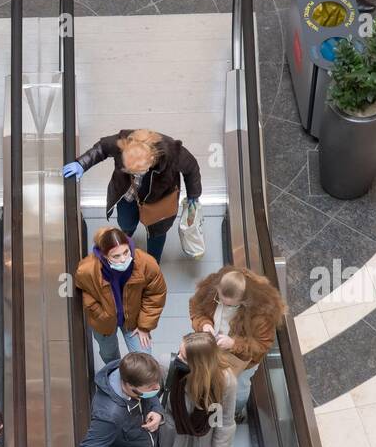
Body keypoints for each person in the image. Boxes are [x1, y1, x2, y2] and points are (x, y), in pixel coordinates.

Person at [61, 128, 202, 262]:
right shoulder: (122, 141)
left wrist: (193, 195)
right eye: (129, 169)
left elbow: (192, 168)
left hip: (159, 197)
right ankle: (126, 240)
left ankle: (153, 262)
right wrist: (81, 163)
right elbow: (102, 148)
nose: (133, 174)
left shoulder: (172, 151)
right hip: (127, 192)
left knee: (157, 232)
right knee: (126, 222)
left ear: (152, 158)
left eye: (138, 171)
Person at [188, 266, 287, 421]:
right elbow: (196, 309)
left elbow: (262, 345)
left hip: (241, 361)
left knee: (238, 387)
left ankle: (235, 412)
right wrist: (204, 324)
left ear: (244, 300)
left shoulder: (262, 312)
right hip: (214, 350)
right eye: (219, 299)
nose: (222, 304)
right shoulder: (210, 290)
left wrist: (234, 344)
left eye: (229, 305)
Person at [154, 332, 237, 447]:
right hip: (172, 431)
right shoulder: (167, 365)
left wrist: (220, 446)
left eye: (183, 356)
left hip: (203, 435)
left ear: (199, 363)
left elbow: (225, 417)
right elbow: (153, 394)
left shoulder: (225, 381)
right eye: (180, 352)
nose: (178, 357)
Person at [75, 224, 167, 364]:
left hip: (134, 320)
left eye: (126, 252)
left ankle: (137, 382)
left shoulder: (146, 263)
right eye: (116, 256)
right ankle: (116, 376)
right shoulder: (87, 270)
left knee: (144, 358)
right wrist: (100, 314)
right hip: (104, 323)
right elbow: (85, 293)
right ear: (104, 255)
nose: (123, 259)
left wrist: (144, 326)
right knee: (109, 356)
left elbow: (156, 294)